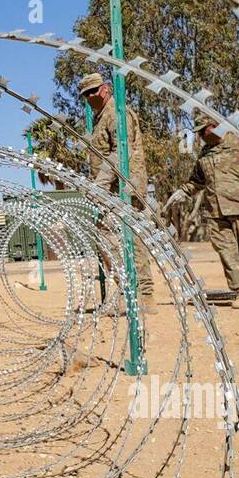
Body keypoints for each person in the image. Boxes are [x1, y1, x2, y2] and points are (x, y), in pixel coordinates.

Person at [165, 111, 239, 309]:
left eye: (203, 131)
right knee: (227, 253)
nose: (200, 136)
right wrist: (181, 192)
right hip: (215, 212)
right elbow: (197, 181)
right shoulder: (205, 154)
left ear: (214, 126)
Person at [78, 72, 155, 311]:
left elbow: (120, 150)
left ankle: (143, 295)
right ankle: (127, 293)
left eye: (94, 91)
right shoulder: (100, 118)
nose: (90, 97)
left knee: (131, 240)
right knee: (110, 242)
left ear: (106, 88)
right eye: (86, 94)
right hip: (109, 190)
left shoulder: (116, 113)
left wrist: (99, 183)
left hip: (123, 188)